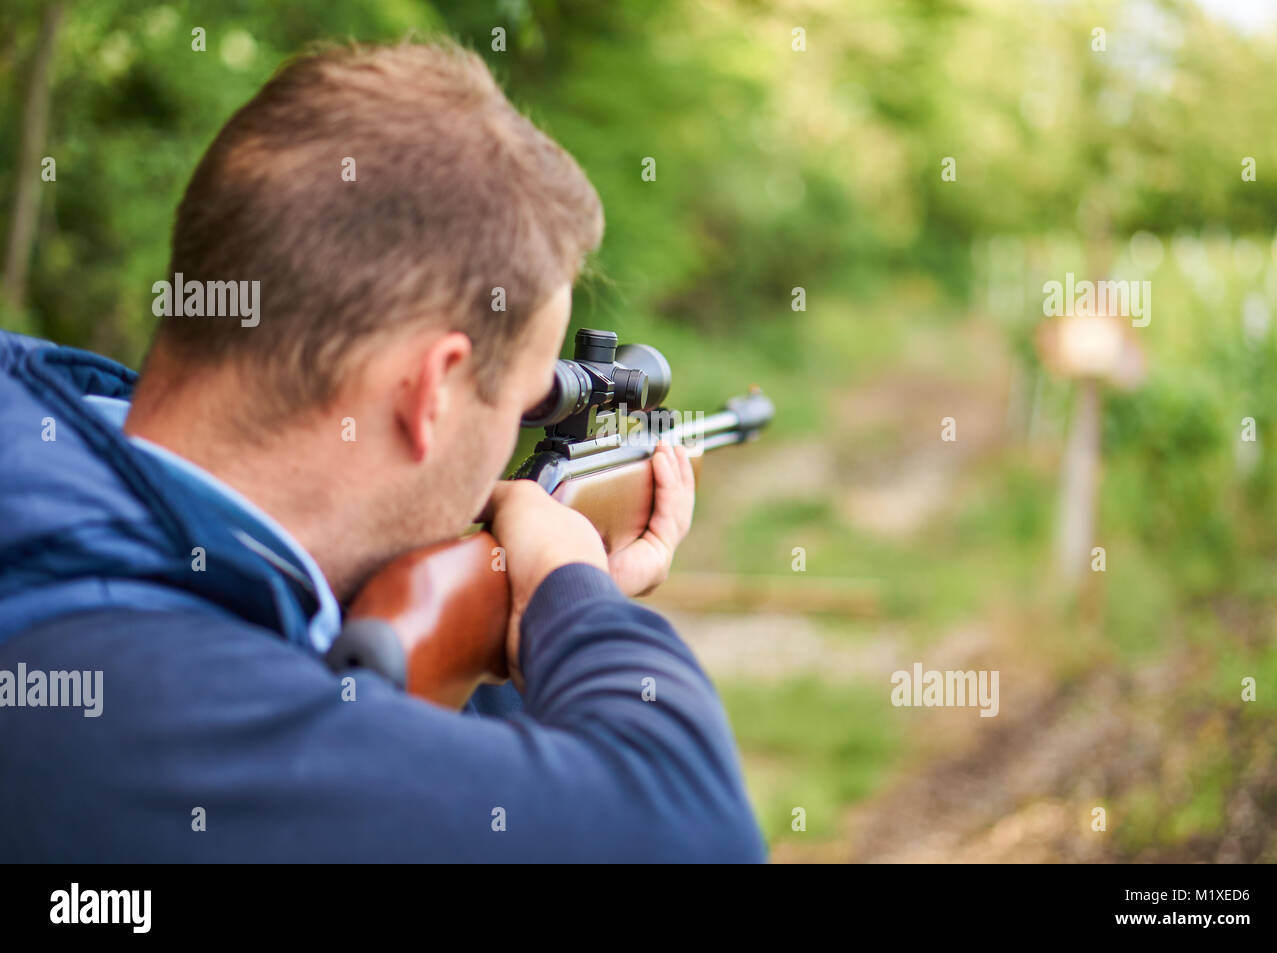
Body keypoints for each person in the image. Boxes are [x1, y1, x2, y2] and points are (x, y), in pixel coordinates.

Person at [0, 39, 765, 862]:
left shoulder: (60, 494)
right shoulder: (146, 692)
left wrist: (490, 624)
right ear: (429, 391)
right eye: (524, 400)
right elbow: (695, 832)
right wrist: (571, 593)